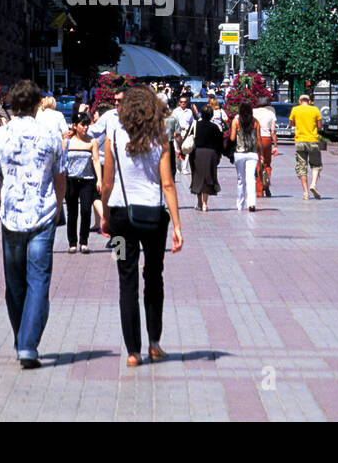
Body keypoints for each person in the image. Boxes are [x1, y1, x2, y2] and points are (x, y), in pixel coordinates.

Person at [0, 80, 65, 369]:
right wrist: (58, 205)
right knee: (38, 281)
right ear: (39, 104)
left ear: (12, 105)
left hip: (11, 218)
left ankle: (22, 340)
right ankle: (27, 343)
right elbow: (60, 177)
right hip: (43, 216)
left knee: (14, 283)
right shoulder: (51, 134)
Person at [99, 84, 183, 367]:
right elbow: (167, 183)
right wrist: (178, 227)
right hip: (155, 220)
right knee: (154, 275)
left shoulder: (113, 135)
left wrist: (105, 215)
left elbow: (107, 182)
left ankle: (133, 352)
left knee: (126, 280)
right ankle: (155, 343)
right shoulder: (161, 138)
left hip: (120, 219)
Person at [63, 111, 102, 253]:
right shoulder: (67, 142)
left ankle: (84, 242)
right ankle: (72, 242)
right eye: (82, 125)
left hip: (87, 180)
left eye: (87, 125)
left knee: (86, 210)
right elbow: (61, 162)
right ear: (74, 126)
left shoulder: (92, 142)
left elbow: (96, 161)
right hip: (71, 180)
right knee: (72, 212)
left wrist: (100, 180)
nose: (85, 128)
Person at [289, 94, 324, 200]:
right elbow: (319, 126)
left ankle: (305, 193)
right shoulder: (315, 110)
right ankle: (313, 184)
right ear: (309, 101)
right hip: (312, 140)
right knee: (316, 164)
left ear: (300, 101)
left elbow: (291, 124)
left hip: (300, 141)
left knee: (302, 167)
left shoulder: (295, 110)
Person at [189, 105, 223, 212]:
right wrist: (219, 154)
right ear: (212, 115)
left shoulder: (196, 125)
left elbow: (189, 138)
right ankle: (205, 203)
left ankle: (199, 202)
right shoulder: (215, 127)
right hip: (210, 154)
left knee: (197, 177)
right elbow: (220, 143)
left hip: (197, 153)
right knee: (208, 177)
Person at [229, 103, 261, 212]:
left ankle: (240, 204)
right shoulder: (255, 122)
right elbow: (259, 140)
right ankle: (251, 203)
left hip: (239, 153)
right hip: (252, 153)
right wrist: (261, 154)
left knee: (240, 179)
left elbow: (232, 138)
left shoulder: (236, 121)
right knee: (251, 178)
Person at [252, 97, 278, 199]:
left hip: (255, 139)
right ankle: (265, 185)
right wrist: (275, 145)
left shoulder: (253, 112)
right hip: (266, 139)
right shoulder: (271, 113)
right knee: (267, 164)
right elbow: (273, 132)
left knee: (258, 164)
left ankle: (259, 191)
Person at [172, 95, 195, 176]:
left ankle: (184, 168)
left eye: (185, 102)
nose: (183, 104)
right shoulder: (175, 111)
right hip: (177, 132)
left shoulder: (189, 112)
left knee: (187, 150)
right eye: (181, 102)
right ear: (179, 103)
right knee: (176, 150)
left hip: (186, 132)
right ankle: (178, 167)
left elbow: (192, 122)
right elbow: (172, 122)